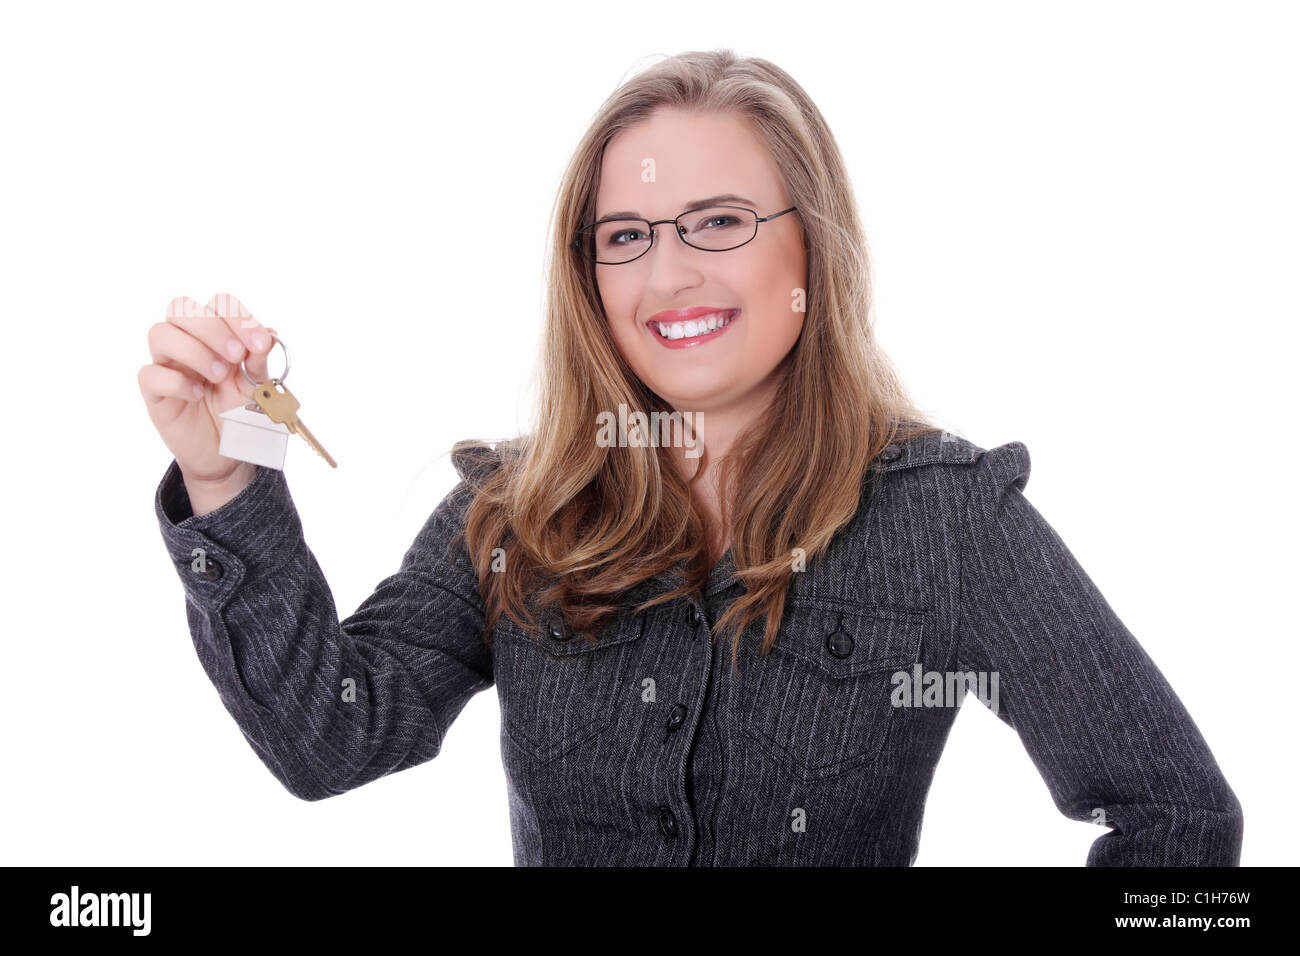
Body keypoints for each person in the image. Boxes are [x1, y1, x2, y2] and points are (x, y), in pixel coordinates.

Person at [139, 49, 1242, 866]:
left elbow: (1176, 817)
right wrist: (228, 477)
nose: (667, 278)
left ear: (809, 245)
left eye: (718, 222)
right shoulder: (514, 513)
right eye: (626, 234)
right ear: (590, 274)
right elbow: (333, 734)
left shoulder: (948, 518)